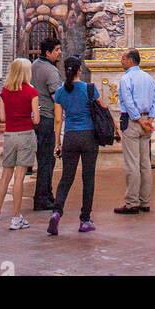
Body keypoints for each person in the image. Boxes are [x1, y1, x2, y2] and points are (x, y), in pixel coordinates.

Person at [49, 55, 110, 234]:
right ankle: (85, 219)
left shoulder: (60, 92)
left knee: (66, 178)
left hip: (70, 136)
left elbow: (58, 120)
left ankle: (56, 213)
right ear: (79, 71)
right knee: (88, 178)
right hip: (89, 136)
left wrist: (57, 143)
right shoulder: (89, 89)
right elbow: (102, 108)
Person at [0, 58, 39, 229]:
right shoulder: (31, 92)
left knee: (5, 176)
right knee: (19, 177)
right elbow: (37, 119)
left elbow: (2, 118)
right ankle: (16, 217)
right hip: (25, 133)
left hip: (9, 134)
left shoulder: (5, 91)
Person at [114, 48, 155, 215]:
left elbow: (128, 101)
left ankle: (132, 202)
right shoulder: (149, 78)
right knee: (145, 163)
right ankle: (145, 201)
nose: (121, 61)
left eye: (123, 59)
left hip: (132, 122)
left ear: (131, 60)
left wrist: (139, 120)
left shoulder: (126, 79)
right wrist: (150, 120)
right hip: (147, 122)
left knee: (132, 163)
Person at [31, 36, 62, 211]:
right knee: (47, 160)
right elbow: (56, 96)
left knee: (43, 158)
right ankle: (42, 198)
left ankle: (45, 194)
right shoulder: (50, 71)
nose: (59, 53)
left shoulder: (34, 65)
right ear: (48, 53)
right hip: (48, 117)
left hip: (37, 116)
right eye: (56, 50)